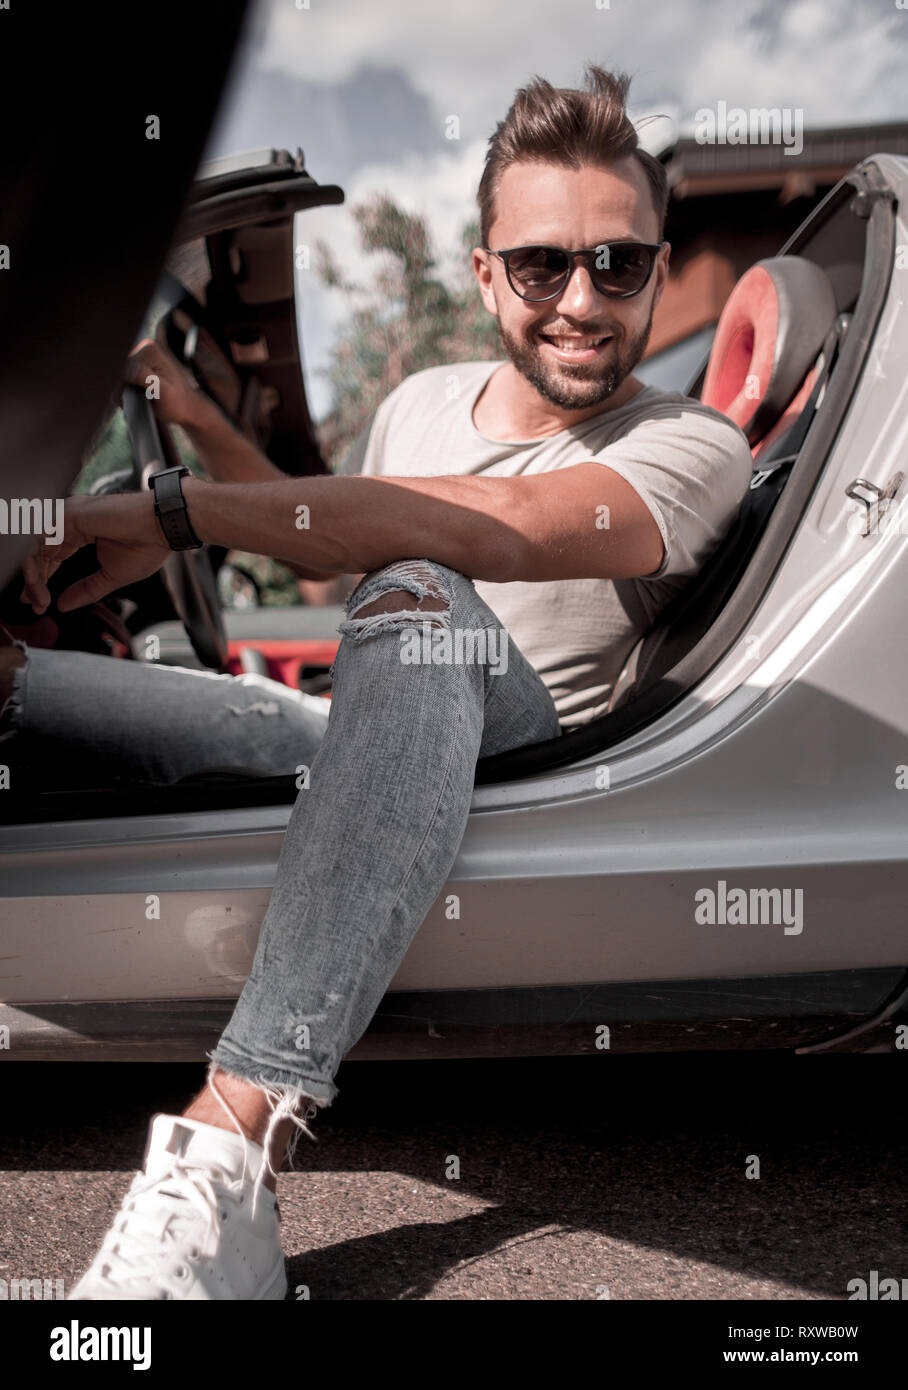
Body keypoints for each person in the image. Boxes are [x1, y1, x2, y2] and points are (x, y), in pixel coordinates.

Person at [0, 66, 752, 1300]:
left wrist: (170, 510)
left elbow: (493, 528)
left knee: (417, 587)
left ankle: (235, 1140)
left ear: (659, 269)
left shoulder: (689, 446)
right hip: (345, 726)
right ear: (481, 274)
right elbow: (320, 517)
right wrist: (187, 422)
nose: (581, 300)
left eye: (618, 265)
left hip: (514, 748)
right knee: (21, 678)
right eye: (541, 266)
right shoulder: (417, 403)